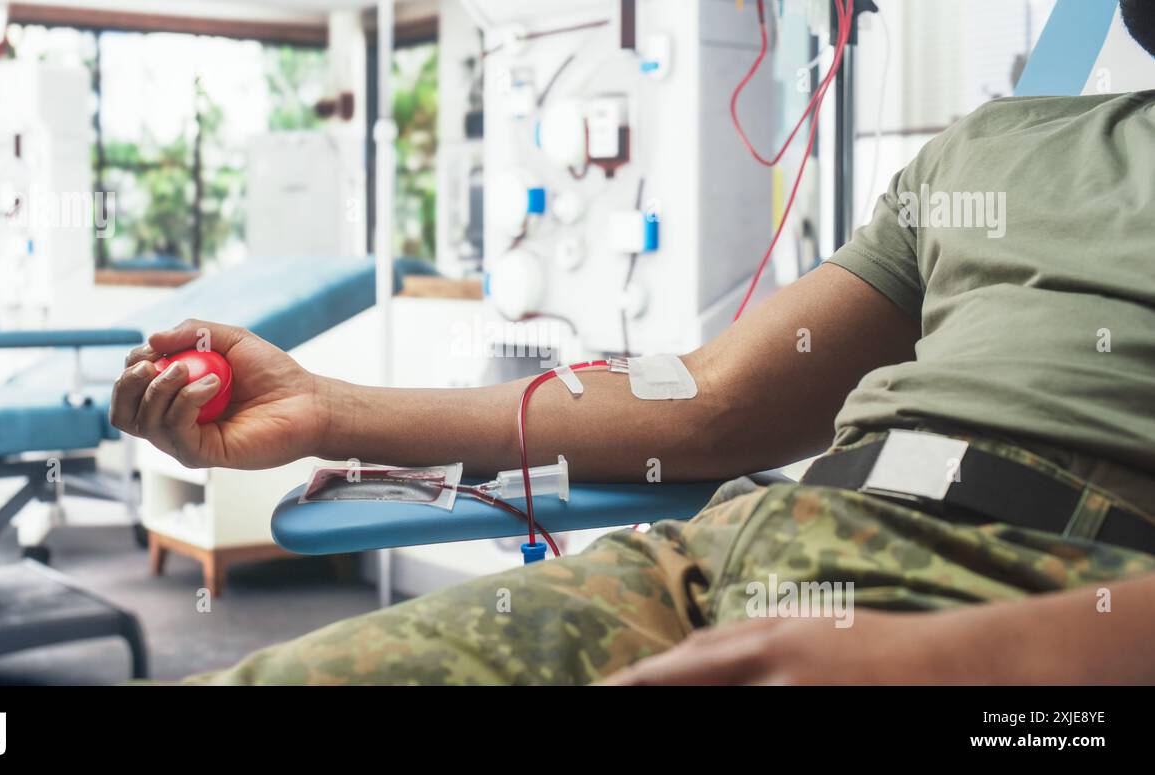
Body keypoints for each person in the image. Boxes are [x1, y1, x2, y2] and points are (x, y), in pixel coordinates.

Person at [109, 1, 1155, 684]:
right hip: (743, 548)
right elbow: (710, 401)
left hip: (1047, 602)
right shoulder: (998, 149)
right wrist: (327, 410)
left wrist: (962, 664)